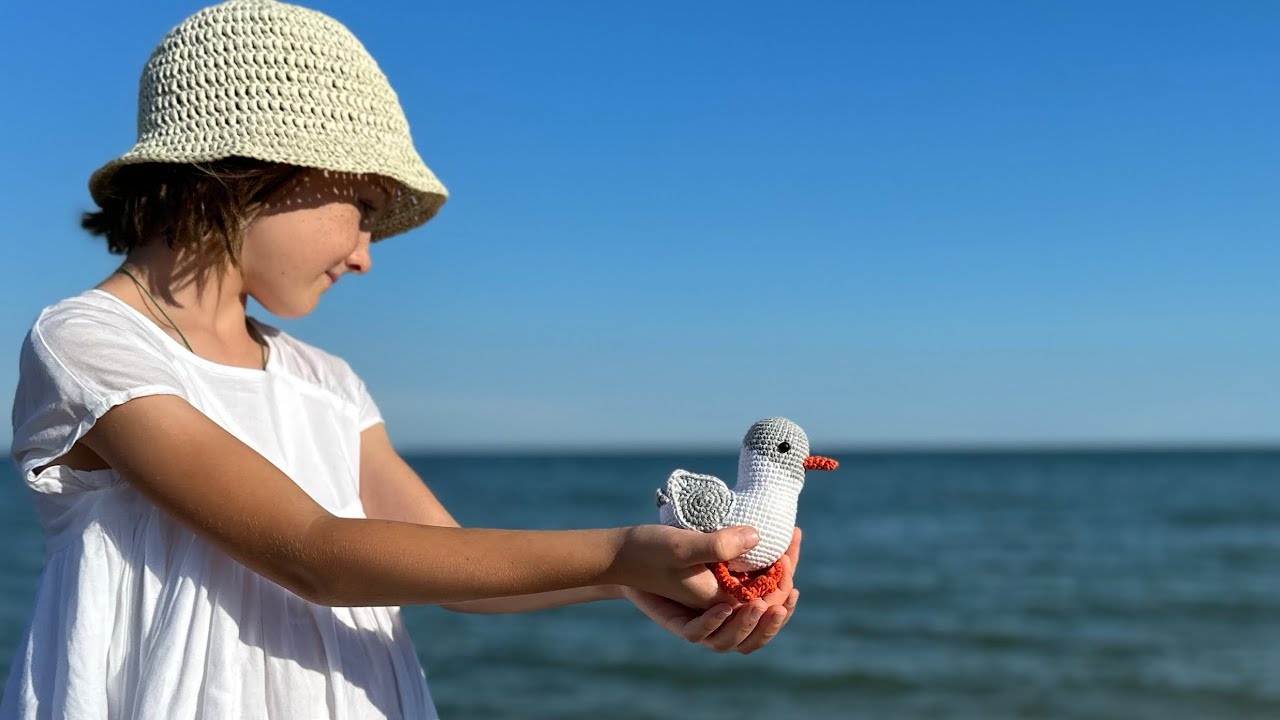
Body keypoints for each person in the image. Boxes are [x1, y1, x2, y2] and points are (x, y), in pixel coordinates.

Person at [1, 1, 801, 717]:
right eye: (363, 213)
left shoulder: (327, 384)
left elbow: (448, 564)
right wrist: (620, 550)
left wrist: (633, 579)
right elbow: (312, 553)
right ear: (253, 174)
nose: (363, 257)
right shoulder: (93, 345)